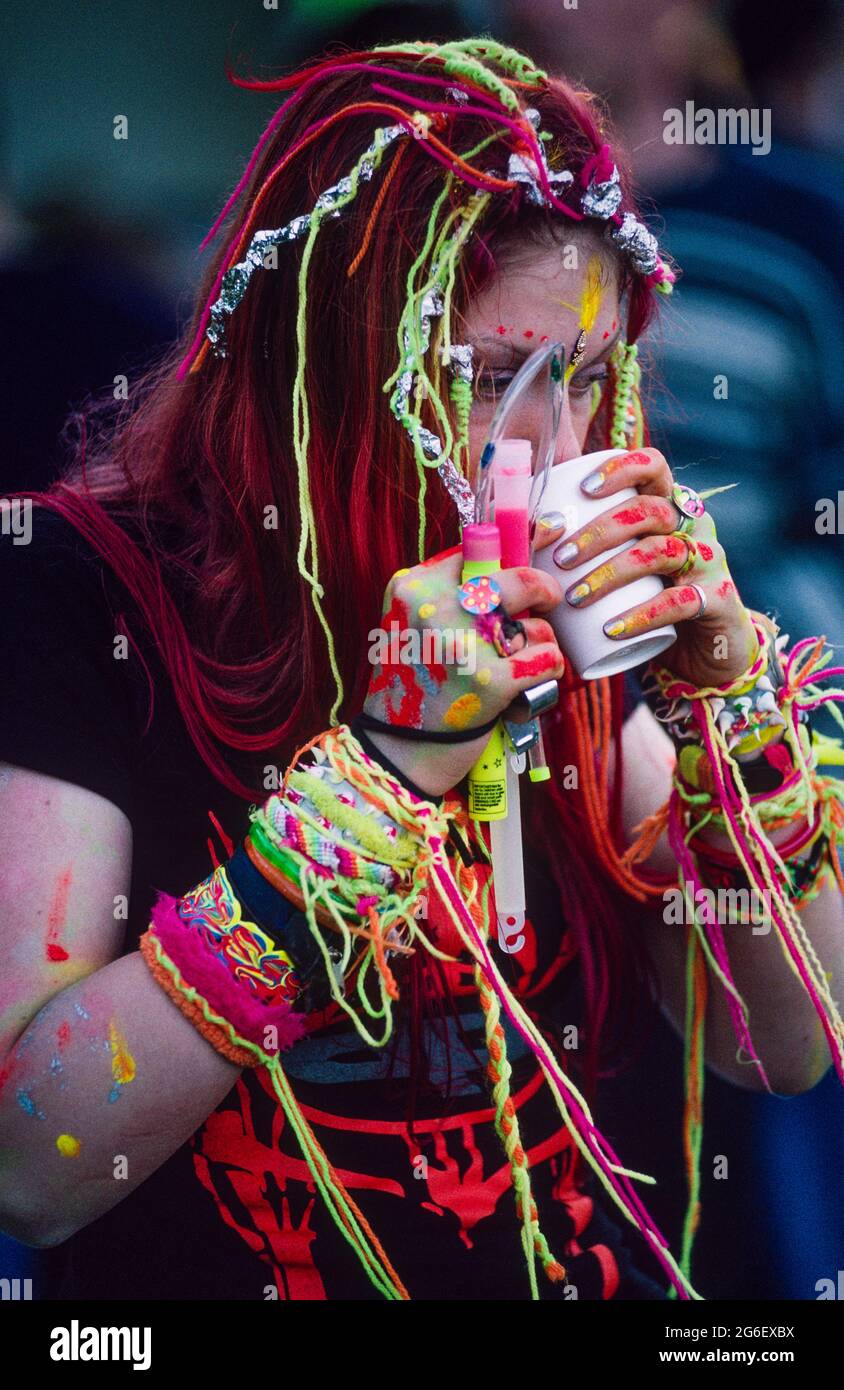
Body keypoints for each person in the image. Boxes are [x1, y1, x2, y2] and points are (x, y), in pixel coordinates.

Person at [1, 38, 842, 1303]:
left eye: (594, 378)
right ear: (329, 351)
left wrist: (724, 708)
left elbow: (776, 1046)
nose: (553, 442)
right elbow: (32, 1163)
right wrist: (386, 776)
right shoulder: (78, 584)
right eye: (495, 379)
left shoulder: (569, 613)